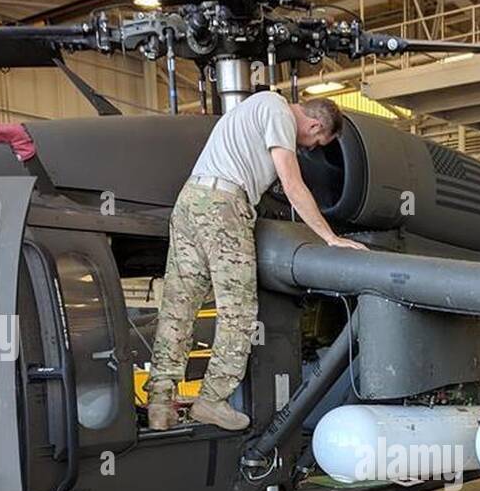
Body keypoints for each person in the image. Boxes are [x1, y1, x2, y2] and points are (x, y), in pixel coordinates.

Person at [147, 93, 366, 433]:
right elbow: (293, 185)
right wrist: (330, 238)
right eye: (315, 141)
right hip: (223, 206)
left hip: (191, 201)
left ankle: (160, 404)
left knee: (178, 306)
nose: (309, 148)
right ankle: (212, 400)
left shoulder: (256, 107)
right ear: (314, 124)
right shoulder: (279, 113)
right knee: (239, 312)